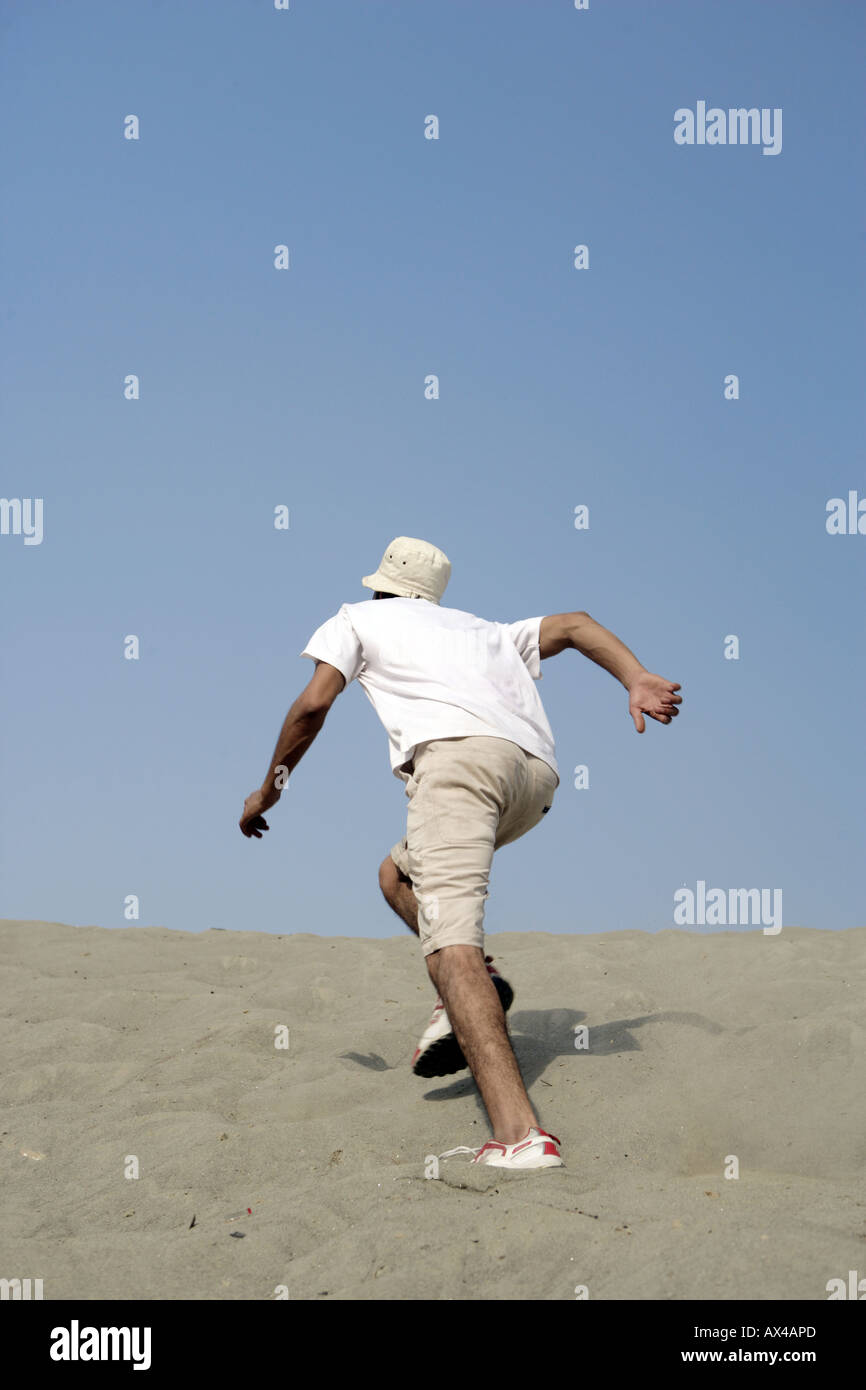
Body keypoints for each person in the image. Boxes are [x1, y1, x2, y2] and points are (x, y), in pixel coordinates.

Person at [240, 536, 682, 1170]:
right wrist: (635, 677)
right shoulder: (485, 631)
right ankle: (481, 985)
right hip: (533, 780)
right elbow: (578, 624)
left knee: (451, 947)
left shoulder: (355, 619)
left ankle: (520, 1135)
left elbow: (313, 705)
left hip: (459, 768)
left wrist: (268, 790)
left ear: (379, 586)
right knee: (398, 874)